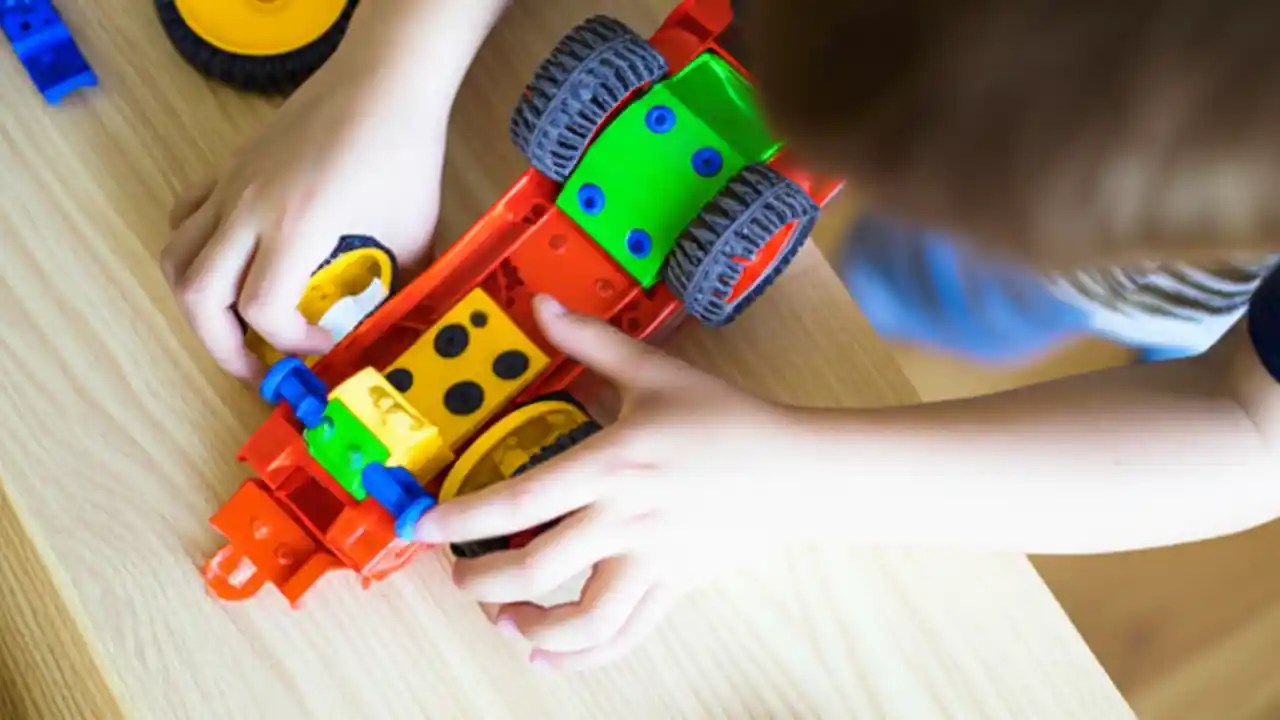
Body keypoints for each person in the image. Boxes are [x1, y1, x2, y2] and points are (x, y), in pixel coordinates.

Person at [161, 0, 1280, 671]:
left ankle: (951, 283)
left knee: (976, 298)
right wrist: (389, 75)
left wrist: (791, 477)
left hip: (1165, 292)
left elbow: (1245, 424)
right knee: (919, 274)